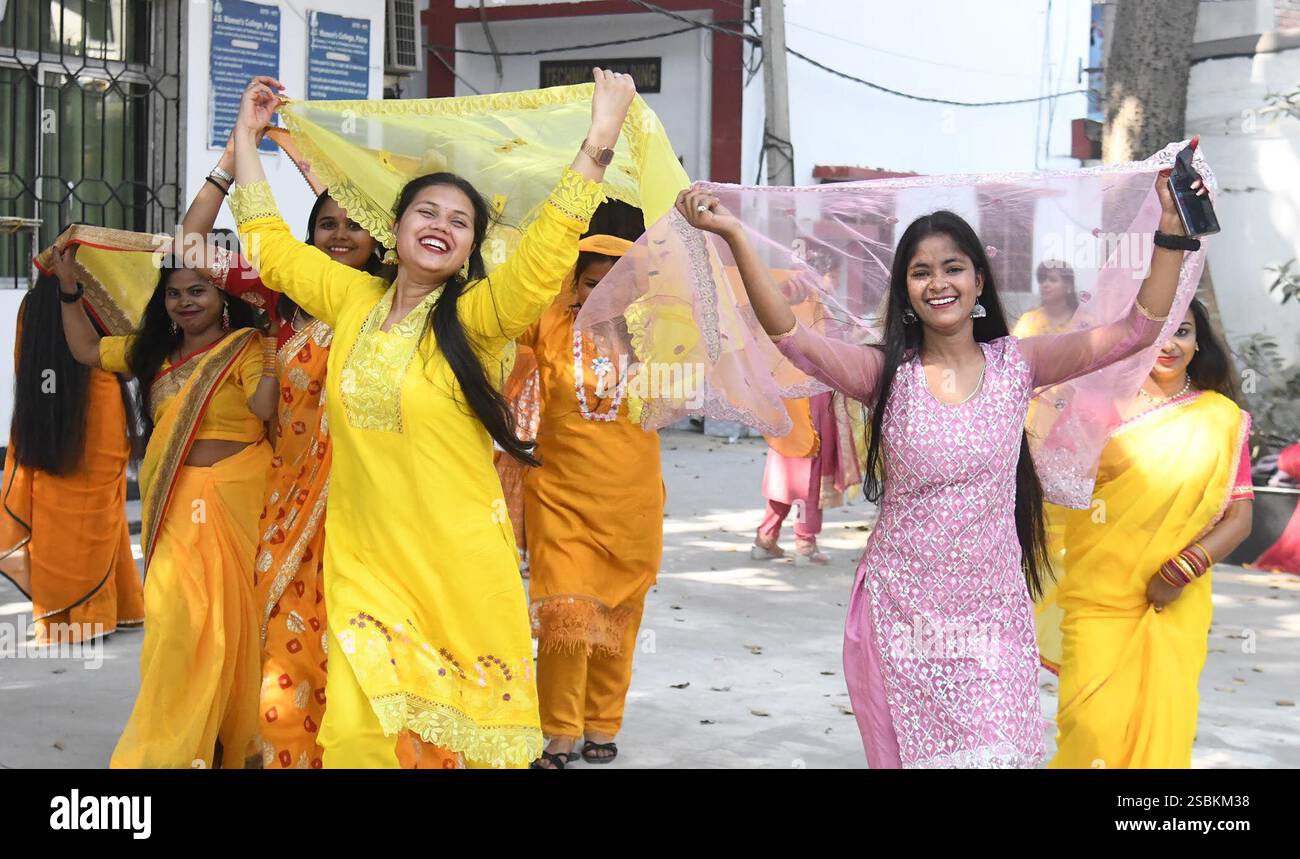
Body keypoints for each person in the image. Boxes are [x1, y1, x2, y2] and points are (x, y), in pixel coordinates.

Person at [674, 168, 1206, 768]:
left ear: (979, 280)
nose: (938, 283)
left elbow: (1136, 330)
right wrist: (734, 236)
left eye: (953, 267)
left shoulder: (1019, 365)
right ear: (905, 290)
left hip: (991, 622)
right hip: (901, 615)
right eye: (920, 272)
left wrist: (1169, 232)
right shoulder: (883, 375)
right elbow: (790, 337)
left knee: (1000, 756)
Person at [230, 69, 637, 768]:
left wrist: (599, 137)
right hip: (365, 571)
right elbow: (269, 243)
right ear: (396, 227)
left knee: (449, 746)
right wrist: (246, 136)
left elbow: (541, 263)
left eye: (459, 220)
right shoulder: (352, 300)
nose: (440, 226)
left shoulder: (476, 320)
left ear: (470, 244)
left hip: (456, 572)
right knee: (355, 738)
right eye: (427, 212)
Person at [56, 230, 277, 767]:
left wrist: (272, 344)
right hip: (175, 502)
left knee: (237, 622)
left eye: (199, 290)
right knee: (178, 625)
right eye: (175, 293)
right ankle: (173, 742)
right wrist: (68, 290)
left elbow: (266, 408)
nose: (186, 302)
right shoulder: (152, 351)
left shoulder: (244, 348)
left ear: (224, 295)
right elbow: (86, 349)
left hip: (236, 495)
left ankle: (231, 736)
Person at [1036, 299, 1253, 768]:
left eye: (1185, 332)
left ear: (1199, 344)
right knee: (1091, 726)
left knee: (1164, 722)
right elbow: (1051, 487)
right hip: (1098, 595)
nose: (1171, 344)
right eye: (1161, 331)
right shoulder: (1095, 406)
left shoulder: (1221, 418)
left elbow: (1240, 519)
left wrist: (1179, 571)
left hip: (1175, 599)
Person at [521, 206, 663, 769]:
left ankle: (602, 723)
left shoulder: (657, 334)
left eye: (617, 284)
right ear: (572, 280)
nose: (601, 296)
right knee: (565, 612)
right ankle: (558, 730)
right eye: (590, 282)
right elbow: (489, 328)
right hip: (559, 498)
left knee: (617, 613)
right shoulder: (547, 320)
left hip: (632, 503)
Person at [252, 190, 387, 770]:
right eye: (326, 224)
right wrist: (230, 162)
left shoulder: (397, 310)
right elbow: (194, 247)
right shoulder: (284, 313)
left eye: (356, 223)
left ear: (382, 237)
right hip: (291, 508)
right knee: (288, 651)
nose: (340, 233)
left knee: (361, 652)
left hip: (371, 515)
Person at [0, 272, 144, 645]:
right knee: (98, 511)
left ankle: (66, 615)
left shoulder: (31, 305)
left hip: (48, 421)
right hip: (101, 416)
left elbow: (25, 370)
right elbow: (128, 366)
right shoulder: (101, 295)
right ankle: (97, 612)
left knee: (53, 507)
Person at [1012, 260, 1078, 338]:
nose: (1045, 285)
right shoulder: (1028, 320)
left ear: (1069, 287)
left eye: (1053, 280)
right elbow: (1015, 347)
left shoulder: (1082, 320)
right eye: (1042, 280)